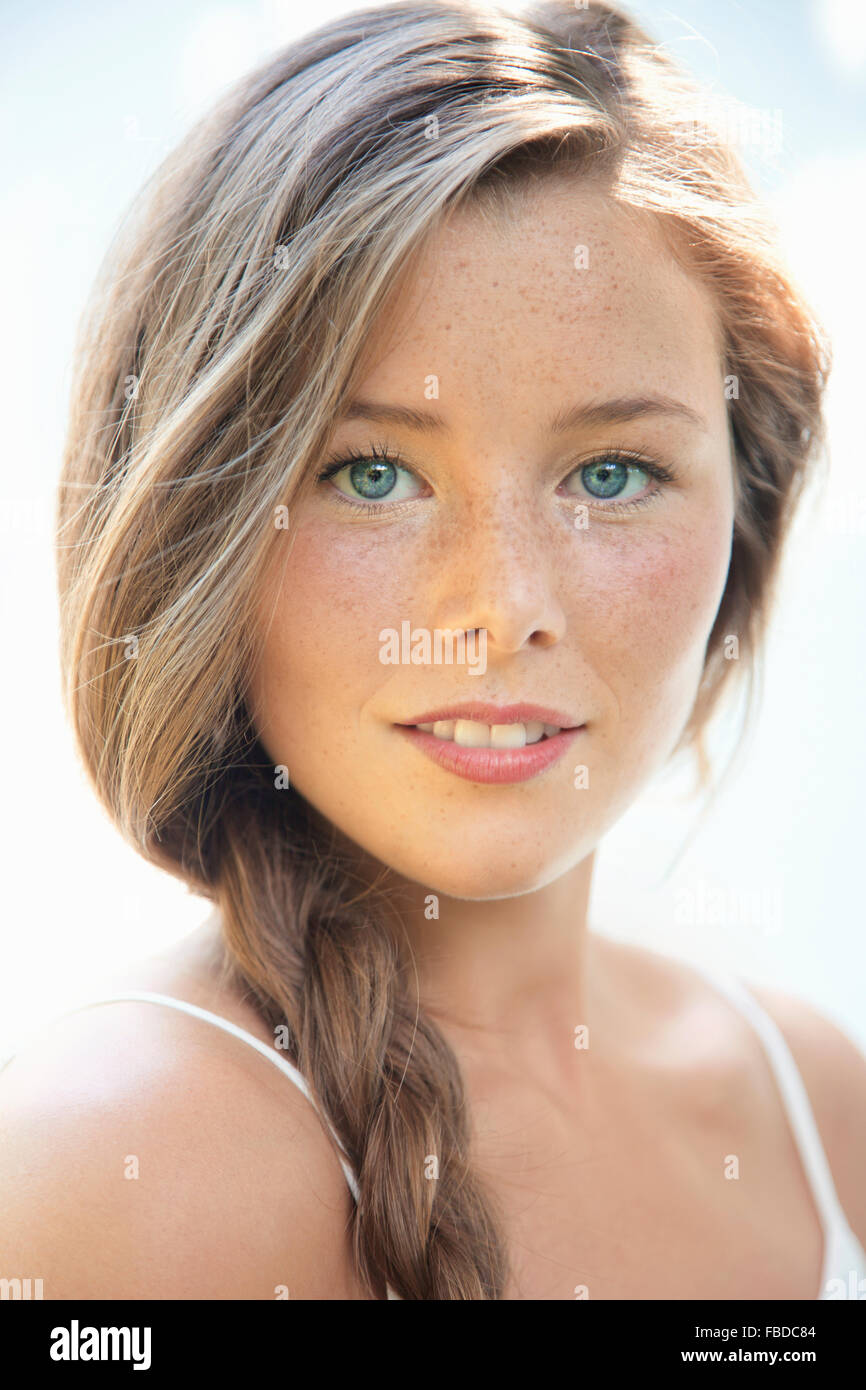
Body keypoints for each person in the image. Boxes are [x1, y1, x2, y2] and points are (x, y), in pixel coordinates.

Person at [1, 0, 864, 1301]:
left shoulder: (818, 1105)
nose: (503, 603)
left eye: (613, 471)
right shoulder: (110, 1166)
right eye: (371, 473)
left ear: (744, 518)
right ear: (199, 527)